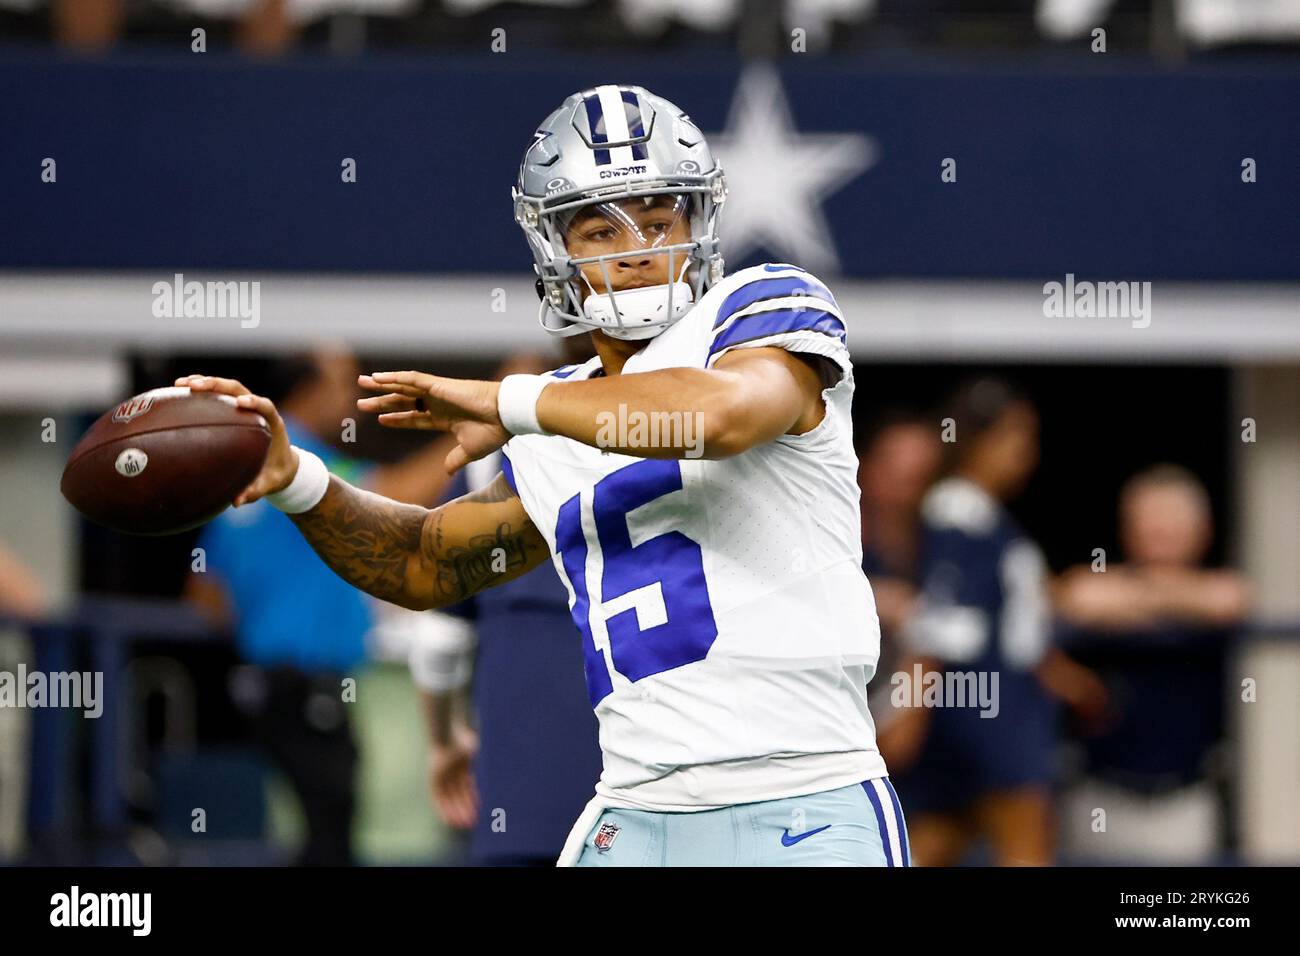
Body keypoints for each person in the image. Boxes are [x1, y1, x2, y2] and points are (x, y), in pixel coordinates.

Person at [179, 85, 907, 867]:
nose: (635, 251)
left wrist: (517, 399)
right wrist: (299, 482)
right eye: (601, 229)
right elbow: (423, 561)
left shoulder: (761, 310)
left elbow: (720, 418)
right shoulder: (558, 424)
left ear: (700, 223)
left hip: (801, 797)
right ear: (555, 250)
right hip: (634, 808)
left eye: (659, 220)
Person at [185, 348, 455, 866]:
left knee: (312, 828)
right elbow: (399, 501)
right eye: (340, 382)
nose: (353, 396)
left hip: (265, 683)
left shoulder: (240, 469)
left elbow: (206, 597)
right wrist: (485, 424)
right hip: (307, 682)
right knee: (332, 827)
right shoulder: (300, 461)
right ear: (307, 389)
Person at [892, 379, 1104, 866]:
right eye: (1015, 437)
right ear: (978, 440)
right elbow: (945, 620)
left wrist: (1059, 675)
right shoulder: (956, 510)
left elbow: (1013, 621)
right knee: (1024, 842)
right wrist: (910, 709)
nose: (1025, 453)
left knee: (940, 839)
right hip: (990, 709)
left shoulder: (984, 515)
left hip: (990, 701)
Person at [1054, 464, 1250, 863]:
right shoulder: (1103, 584)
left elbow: (1232, 599)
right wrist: (1168, 602)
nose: (1158, 535)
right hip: (1100, 797)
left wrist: (1140, 600)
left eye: (1171, 524)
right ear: (1126, 530)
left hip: (1184, 801)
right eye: (1148, 524)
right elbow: (1075, 595)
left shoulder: (1218, 590)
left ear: (1203, 531)